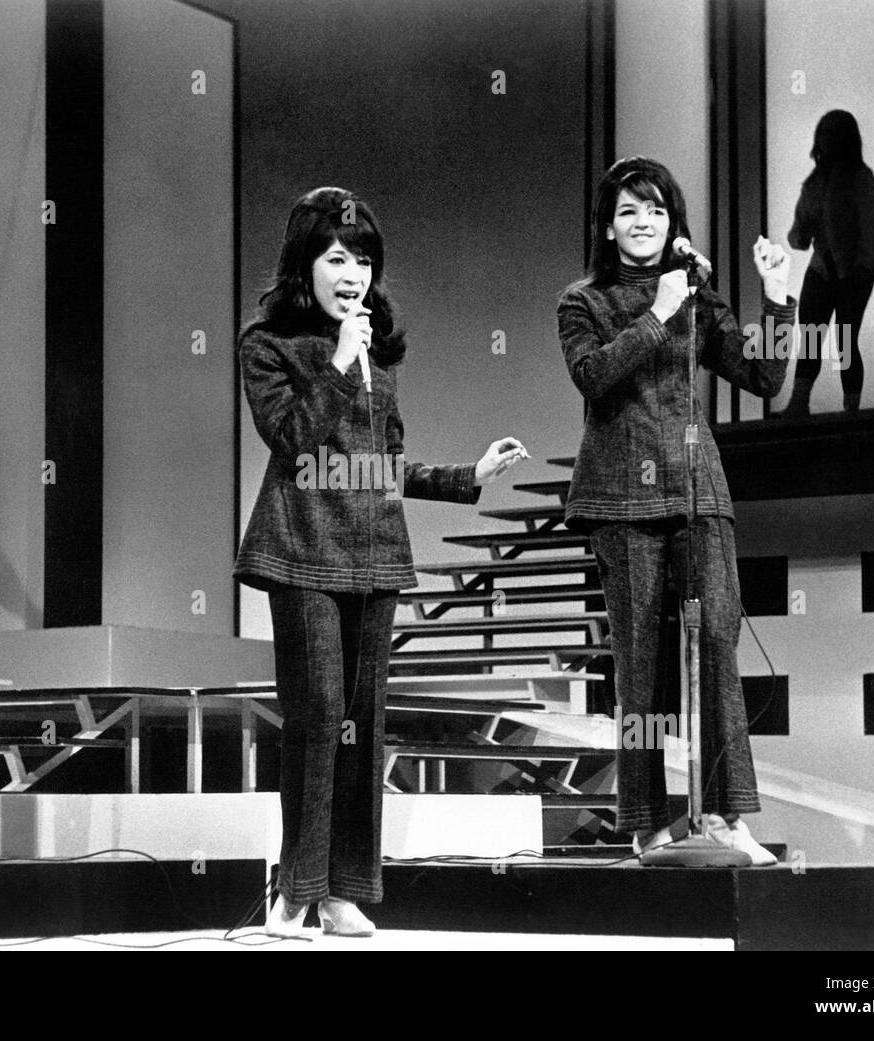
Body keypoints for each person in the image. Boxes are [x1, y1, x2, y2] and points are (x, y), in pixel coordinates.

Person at [235, 187, 527, 936]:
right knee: (317, 717)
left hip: (375, 557)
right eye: (337, 257)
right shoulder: (268, 346)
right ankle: (293, 890)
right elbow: (294, 441)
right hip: (302, 551)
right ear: (306, 262)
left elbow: (382, 466)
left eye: (363, 260)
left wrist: (469, 474)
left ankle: (342, 888)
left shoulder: (378, 357)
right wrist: (336, 363)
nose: (352, 273)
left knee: (362, 724)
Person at [556, 156, 793, 866]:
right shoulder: (583, 301)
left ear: (673, 222)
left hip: (697, 489)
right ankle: (646, 820)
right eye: (629, 211)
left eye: (656, 211)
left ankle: (725, 813)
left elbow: (763, 373)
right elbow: (594, 376)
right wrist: (659, 311)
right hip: (621, 497)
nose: (644, 223)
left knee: (718, 637)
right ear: (607, 226)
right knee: (641, 662)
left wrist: (779, 299)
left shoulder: (695, 289)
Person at [782, 109, 874, 416]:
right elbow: (798, 237)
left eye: (829, 136)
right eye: (822, 136)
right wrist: (804, 229)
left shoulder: (860, 178)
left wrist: (859, 271)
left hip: (851, 272)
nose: (823, 142)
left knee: (845, 343)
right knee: (812, 337)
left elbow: (868, 232)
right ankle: (800, 404)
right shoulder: (815, 182)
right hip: (823, 269)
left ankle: (850, 410)